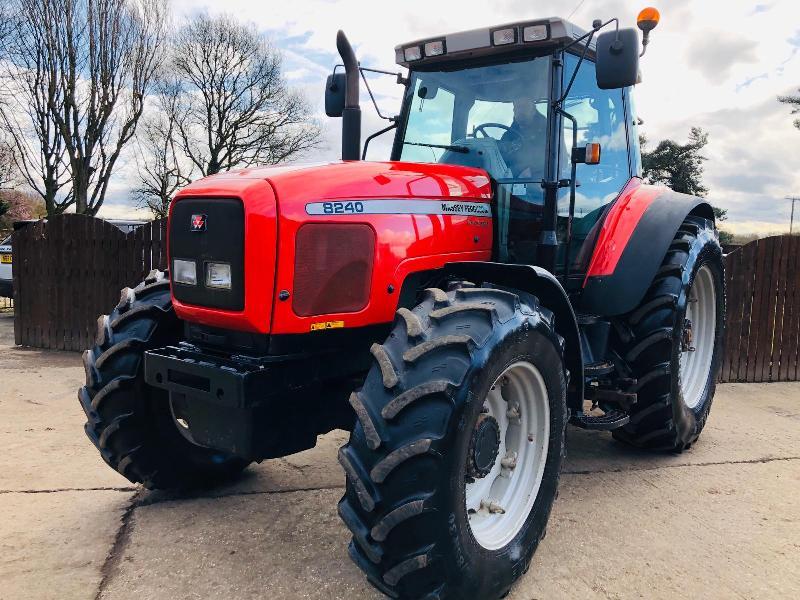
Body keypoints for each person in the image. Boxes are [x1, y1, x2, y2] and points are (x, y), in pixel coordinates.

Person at [500, 98, 548, 178]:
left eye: (524, 107)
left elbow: (560, 161)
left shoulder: (549, 133)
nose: (520, 111)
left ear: (533, 111)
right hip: (506, 183)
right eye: (517, 108)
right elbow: (499, 158)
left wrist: (532, 170)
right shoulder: (508, 135)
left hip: (539, 183)